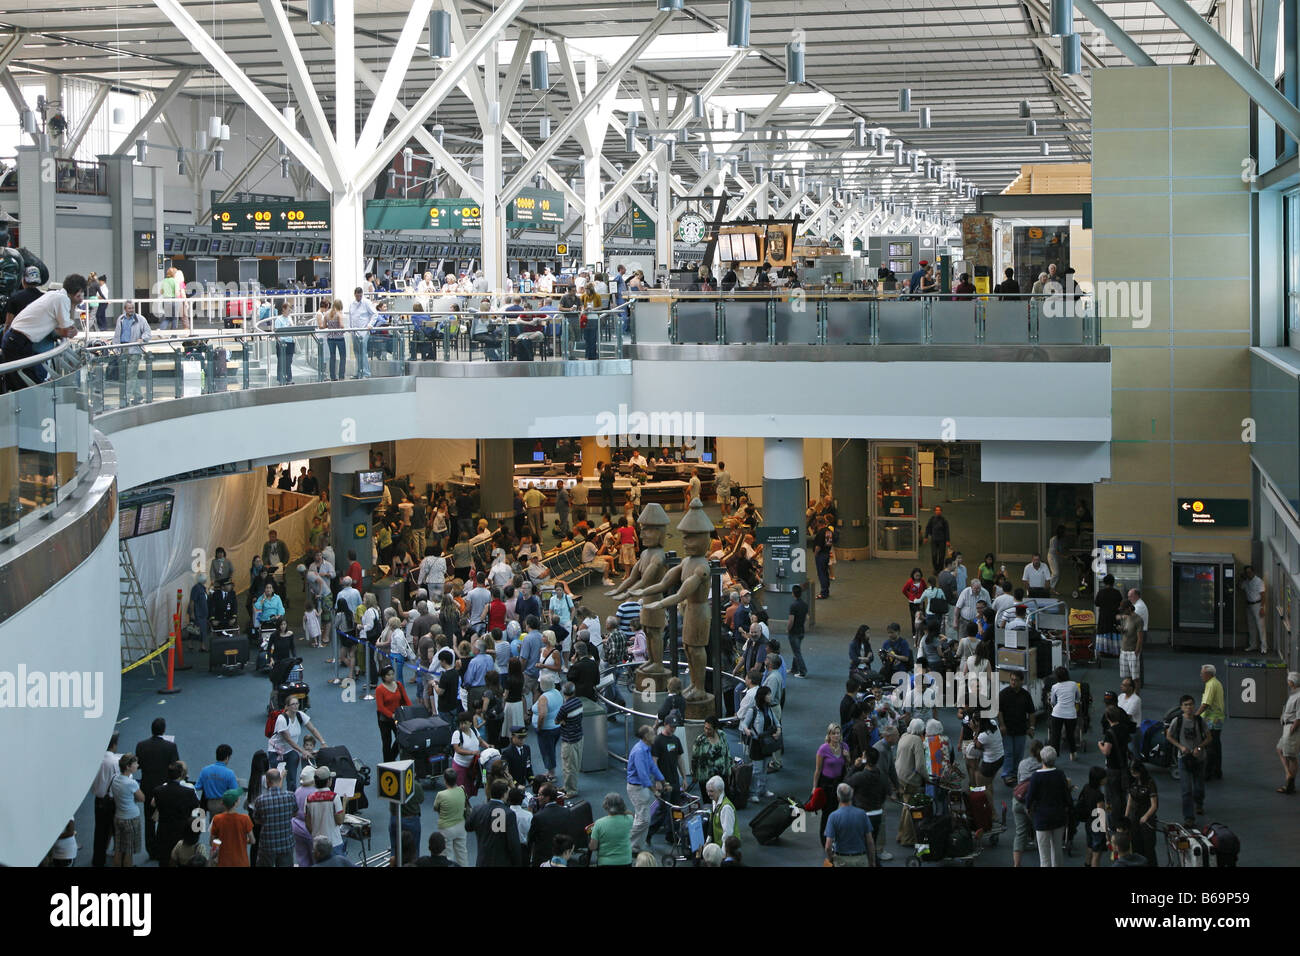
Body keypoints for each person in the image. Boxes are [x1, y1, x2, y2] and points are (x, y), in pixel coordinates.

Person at [1, 273, 84, 389]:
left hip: (15, 339)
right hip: (18, 341)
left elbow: (64, 330)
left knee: (22, 382)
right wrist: (73, 306)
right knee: (27, 383)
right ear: (78, 292)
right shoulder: (62, 299)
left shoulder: (53, 295)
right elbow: (67, 331)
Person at [1166, 693, 1212, 827]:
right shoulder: (1177, 721)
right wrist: (1181, 747)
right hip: (1184, 758)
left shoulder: (1199, 721)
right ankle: (1189, 817)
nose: (1189, 707)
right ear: (1181, 707)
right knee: (1186, 790)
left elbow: (1209, 737)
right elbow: (1169, 736)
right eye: (1186, 705)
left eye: (1191, 704)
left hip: (1199, 758)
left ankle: (1199, 803)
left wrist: (1199, 747)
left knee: (1199, 786)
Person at [1025, 746, 1070, 867]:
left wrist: (1028, 808)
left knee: (1044, 856)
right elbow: (1066, 796)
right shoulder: (1060, 774)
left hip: (1041, 818)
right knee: (1057, 851)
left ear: (1041, 759)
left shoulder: (1036, 777)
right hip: (1058, 817)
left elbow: (1030, 797)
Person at [626, 724, 666, 852]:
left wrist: (663, 781)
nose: (655, 735)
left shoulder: (646, 748)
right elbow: (643, 775)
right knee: (643, 821)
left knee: (643, 819)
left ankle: (636, 847)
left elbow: (652, 767)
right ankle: (626, 844)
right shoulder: (639, 751)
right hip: (636, 788)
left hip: (641, 788)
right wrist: (654, 790)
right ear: (646, 737)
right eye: (652, 734)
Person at [466, 778, 523, 866]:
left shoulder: (477, 809)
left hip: (483, 861)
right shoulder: (508, 814)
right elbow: (513, 844)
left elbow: (468, 827)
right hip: (501, 862)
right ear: (504, 794)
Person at [249, 767, 296, 867]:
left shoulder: (260, 800)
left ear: (267, 781)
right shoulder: (291, 796)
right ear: (280, 779)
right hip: (286, 843)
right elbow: (294, 813)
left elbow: (256, 820)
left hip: (267, 844)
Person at [998, 670, 1036, 785]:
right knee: (1008, 753)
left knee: (1019, 753)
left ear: (1021, 681)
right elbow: (999, 711)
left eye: (1016, 680)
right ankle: (1007, 774)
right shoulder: (1003, 694)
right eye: (1012, 680)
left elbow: (1031, 712)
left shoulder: (1026, 695)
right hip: (1007, 729)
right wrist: (1002, 725)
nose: (1013, 682)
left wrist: (1031, 727)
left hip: (1021, 729)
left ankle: (1015, 773)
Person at [824, 782, 876, 867]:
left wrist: (830, 859)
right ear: (851, 796)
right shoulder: (862, 814)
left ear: (838, 798)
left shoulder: (833, 816)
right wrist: (872, 861)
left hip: (841, 860)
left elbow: (828, 846)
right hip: (860, 859)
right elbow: (870, 841)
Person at [894, 718, 928, 846]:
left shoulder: (904, 736)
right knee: (911, 808)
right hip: (910, 779)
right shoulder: (917, 741)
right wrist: (927, 778)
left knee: (906, 805)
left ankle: (901, 834)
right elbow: (920, 766)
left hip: (900, 776)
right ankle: (907, 838)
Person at [1010, 738, 1043, 867]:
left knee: (1020, 833)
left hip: (1018, 800)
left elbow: (1019, 781)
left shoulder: (1022, 763)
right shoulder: (1043, 766)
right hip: (1034, 804)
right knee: (1041, 831)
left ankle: (1016, 864)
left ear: (1030, 751)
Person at [1125, 759, 1159, 867]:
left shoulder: (1150, 782)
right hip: (1134, 817)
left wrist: (1145, 816)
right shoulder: (1132, 781)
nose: (1133, 774)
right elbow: (1130, 800)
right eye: (1131, 772)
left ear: (1140, 771)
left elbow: (1154, 805)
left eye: (1135, 772)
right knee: (1136, 846)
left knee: (1148, 848)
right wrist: (1126, 817)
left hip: (1147, 818)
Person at [432, 768, 470, 866]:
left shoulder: (441, 795)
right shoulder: (462, 790)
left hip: (446, 829)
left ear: (445, 780)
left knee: (447, 856)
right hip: (461, 827)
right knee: (462, 854)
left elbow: (435, 807)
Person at [210, 788, 254, 867]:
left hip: (223, 862)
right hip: (241, 862)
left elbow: (211, 842)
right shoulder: (245, 819)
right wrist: (242, 840)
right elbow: (252, 840)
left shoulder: (217, 819)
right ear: (236, 803)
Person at [1196, 663, 1226, 781]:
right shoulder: (1216, 683)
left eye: (1202, 673)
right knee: (1216, 746)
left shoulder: (1210, 685)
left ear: (1208, 674)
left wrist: (1195, 715)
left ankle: (1207, 773)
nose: (1200, 675)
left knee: (1210, 747)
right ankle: (1217, 771)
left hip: (1211, 720)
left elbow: (1206, 704)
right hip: (1218, 719)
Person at [589, 792, 635, 866]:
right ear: (622, 805)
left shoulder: (599, 823)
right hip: (626, 862)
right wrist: (621, 809)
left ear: (605, 806)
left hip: (605, 863)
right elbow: (631, 814)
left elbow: (593, 847)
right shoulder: (629, 819)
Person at [556, 681, 585, 795]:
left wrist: (563, 721)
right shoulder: (579, 702)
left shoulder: (564, 707)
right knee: (574, 765)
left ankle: (571, 791)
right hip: (579, 737)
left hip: (569, 741)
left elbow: (556, 720)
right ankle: (567, 786)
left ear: (564, 693)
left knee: (568, 766)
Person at [196, 744, 239, 817]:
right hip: (223, 805)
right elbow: (235, 792)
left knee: (212, 821)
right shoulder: (230, 773)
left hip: (210, 804)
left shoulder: (205, 770)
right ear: (227, 757)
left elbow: (198, 787)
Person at [1048, 666, 1080, 760]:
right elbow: (1078, 697)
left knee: (1055, 735)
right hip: (1071, 714)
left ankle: (1054, 756)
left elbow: (1053, 702)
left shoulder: (1055, 687)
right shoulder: (1074, 684)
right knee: (1070, 735)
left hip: (1057, 714)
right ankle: (1073, 753)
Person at [347, 286, 379, 378]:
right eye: (357, 296)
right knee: (356, 352)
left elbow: (375, 314)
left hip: (363, 332)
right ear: (354, 295)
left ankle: (366, 373)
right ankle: (358, 372)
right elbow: (351, 317)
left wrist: (370, 324)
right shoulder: (352, 304)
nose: (359, 297)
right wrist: (350, 328)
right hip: (354, 332)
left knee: (363, 352)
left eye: (360, 296)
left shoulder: (366, 302)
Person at [1276, 672, 1300, 794]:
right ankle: (1288, 773)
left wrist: (1292, 729)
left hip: (1292, 728)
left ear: (1293, 682)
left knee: (1291, 756)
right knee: (1280, 749)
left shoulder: (1299, 696)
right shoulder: (1293, 693)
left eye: (1289, 680)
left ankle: (1290, 786)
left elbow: (1299, 717)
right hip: (1287, 727)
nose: (1287, 681)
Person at [1241, 564, 1268, 653]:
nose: (1248, 574)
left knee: (1261, 627)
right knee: (1251, 626)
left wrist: (1262, 607)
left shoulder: (1259, 581)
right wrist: (1241, 578)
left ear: (1253, 572)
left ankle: (1264, 647)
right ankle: (1253, 645)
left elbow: (1263, 595)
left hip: (1257, 605)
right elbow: (1239, 587)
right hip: (1249, 605)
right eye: (1246, 573)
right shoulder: (1245, 582)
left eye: (1249, 572)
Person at [922, 506, 951, 576]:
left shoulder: (944, 520)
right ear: (935, 511)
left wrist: (948, 540)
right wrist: (926, 537)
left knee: (941, 556)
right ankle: (936, 568)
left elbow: (947, 531)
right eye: (937, 510)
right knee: (934, 555)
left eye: (939, 510)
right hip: (934, 540)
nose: (938, 511)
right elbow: (928, 528)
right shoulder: (932, 519)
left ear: (941, 512)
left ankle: (940, 569)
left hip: (942, 540)